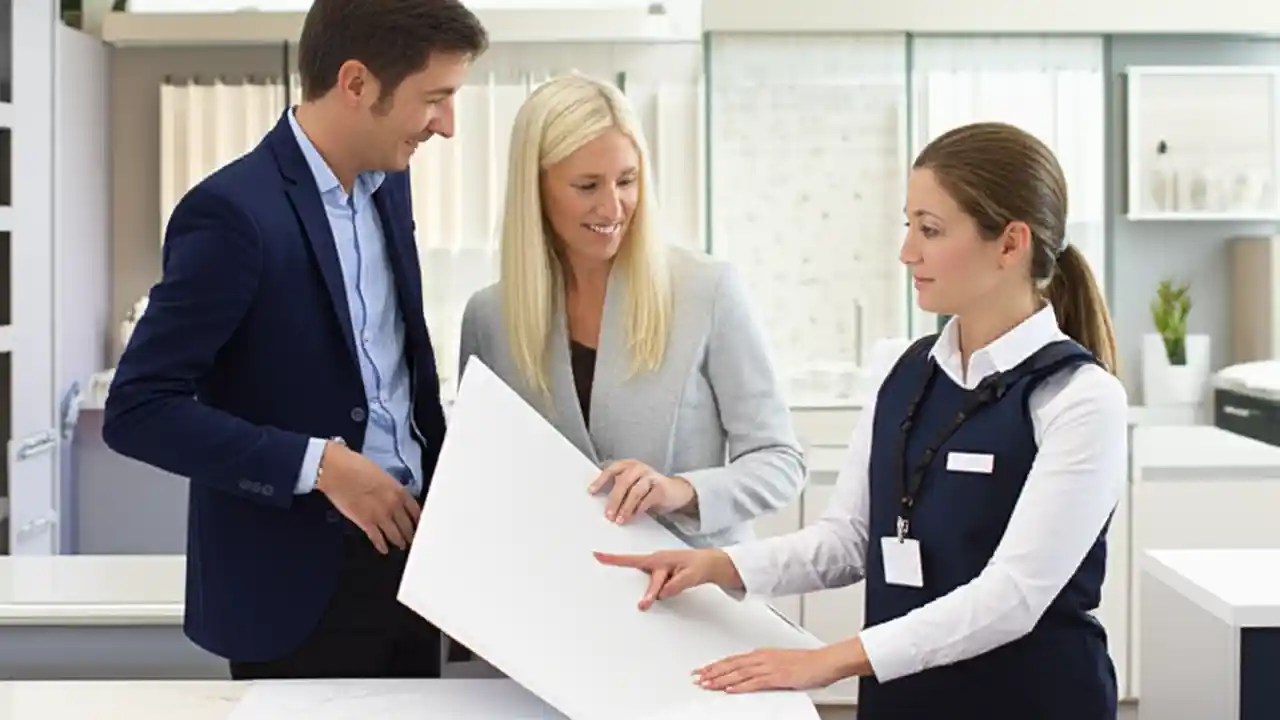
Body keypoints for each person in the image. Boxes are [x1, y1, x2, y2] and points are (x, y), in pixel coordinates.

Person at [596, 121, 1128, 719]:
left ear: (1010, 245)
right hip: (903, 700)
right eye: (909, 226)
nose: (907, 252)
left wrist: (829, 660)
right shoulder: (904, 374)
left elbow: (1014, 596)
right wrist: (714, 565)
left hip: (1032, 702)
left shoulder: (1079, 399)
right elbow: (848, 540)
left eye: (930, 230)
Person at [101, 0, 488, 680]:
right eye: (435, 99)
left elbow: (394, 370)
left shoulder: (389, 189)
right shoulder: (232, 213)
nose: (448, 125)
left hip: (409, 567)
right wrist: (322, 465)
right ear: (357, 83)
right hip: (294, 592)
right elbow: (138, 409)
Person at [458, 74, 806, 549]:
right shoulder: (489, 319)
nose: (612, 208)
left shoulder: (707, 291)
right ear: (534, 189)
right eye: (587, 186)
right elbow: (480, 481)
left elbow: (780, 462)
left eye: (626, 181)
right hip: (554, 586)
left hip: (691, 586)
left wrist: (680, 491)